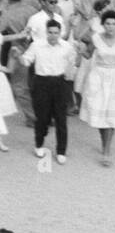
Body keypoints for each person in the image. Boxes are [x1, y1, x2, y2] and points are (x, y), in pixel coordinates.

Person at [22, 17, 76, 163]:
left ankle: (61, 150)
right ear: (46, 32)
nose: (53, 36)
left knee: (61, 118)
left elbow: (72, 62)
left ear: (60, 33)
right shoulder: (37, 45)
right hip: (41, 82)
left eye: (56, 33)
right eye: (50, 32)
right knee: (42, 117)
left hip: (59, 82)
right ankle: (39, 144)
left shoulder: (66, 47)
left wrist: (68, 79)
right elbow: (27, 60)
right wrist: (18, 56)